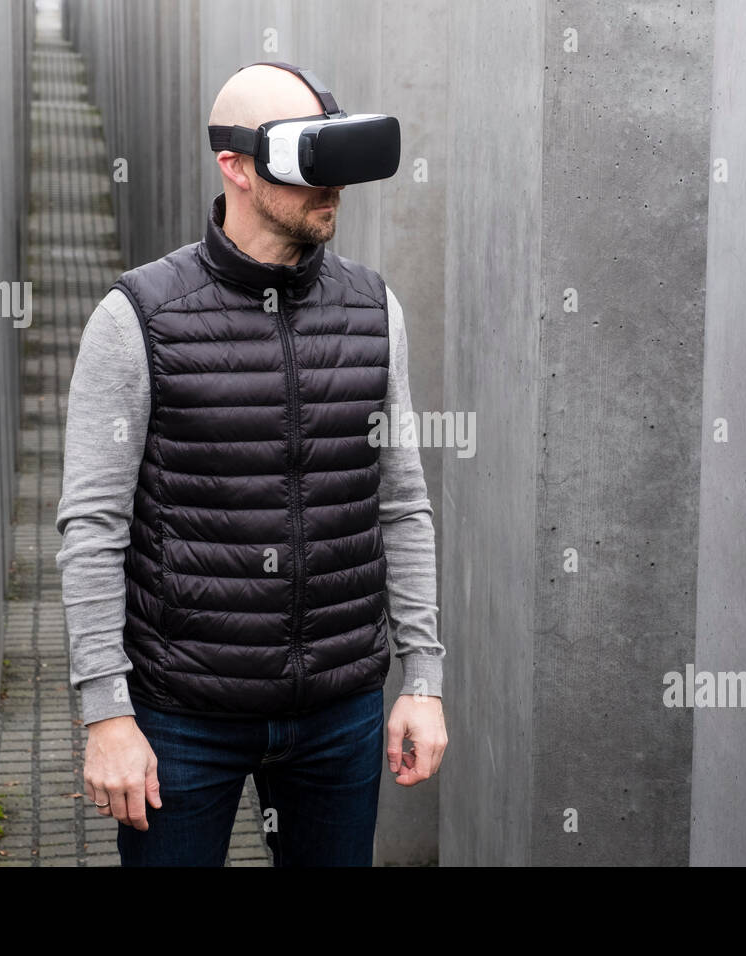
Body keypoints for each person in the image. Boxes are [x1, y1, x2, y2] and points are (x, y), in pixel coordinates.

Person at [55, 63, 447, 866]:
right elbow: (93, 528)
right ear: (234, 164)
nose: (330, 189)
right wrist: (106, 715)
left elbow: (401, 503)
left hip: (341, 712)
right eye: (309, 163)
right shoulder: (138, 317)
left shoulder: (374, 309)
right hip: (180, 718)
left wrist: (423, 677)